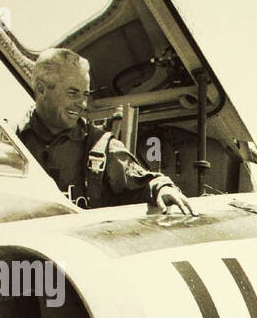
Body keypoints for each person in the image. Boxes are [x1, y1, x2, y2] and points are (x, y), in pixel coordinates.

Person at [16, 47, 194, 214]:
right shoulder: (11, 140)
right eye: (73, 93)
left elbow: (142, 181)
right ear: (41, 89)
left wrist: (161, 189)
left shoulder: (101, 146)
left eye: (85, 95)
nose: (82, 104)